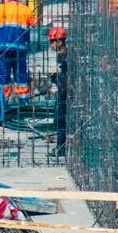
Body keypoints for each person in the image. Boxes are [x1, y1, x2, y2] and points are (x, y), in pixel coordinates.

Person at [0, 0, 37, 93]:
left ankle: (4, 100)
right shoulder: (26, 10)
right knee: (21, 76)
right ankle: (23, 99)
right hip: (20, 50)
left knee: (4, 77)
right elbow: (36, 25)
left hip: (3, 50)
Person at [49, 25, 69, 154]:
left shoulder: (65, 56)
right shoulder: (61, 55)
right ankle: (61, 147)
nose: (51, 45)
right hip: (64, 91)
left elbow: (67, 79)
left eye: (52, 42)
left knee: (62, 121)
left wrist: (56, 79)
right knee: (60, 121)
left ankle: (62, 148)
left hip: (67, 93)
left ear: (59, 42)